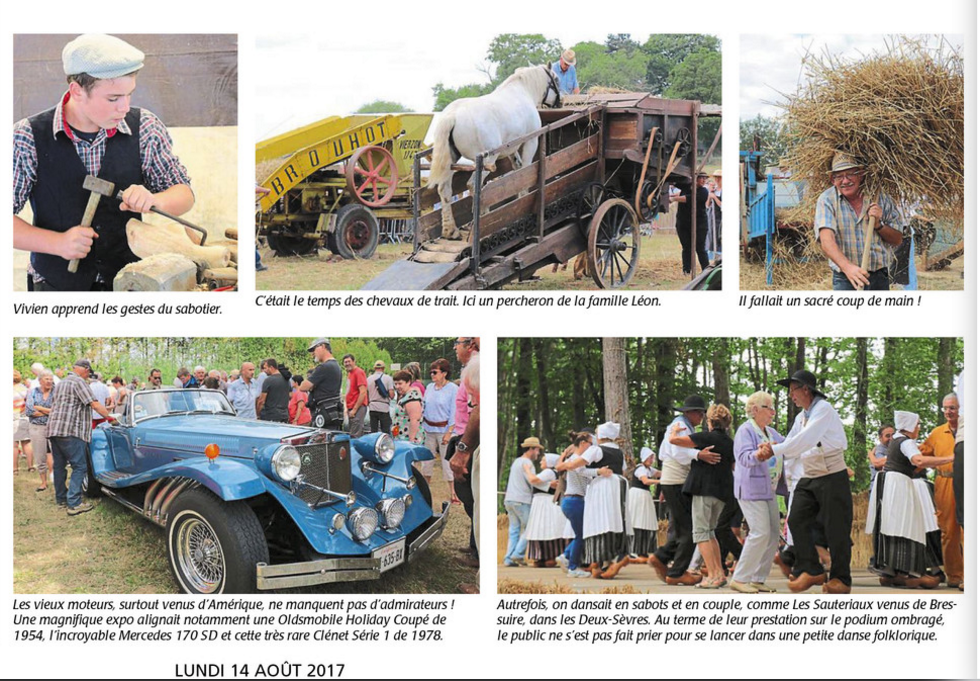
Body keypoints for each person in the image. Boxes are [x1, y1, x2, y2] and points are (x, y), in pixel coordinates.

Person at [13, 34, 194, 291]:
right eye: (113, 98)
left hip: (132, 284)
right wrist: (57, 243)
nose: (124, 107)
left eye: (129, 95)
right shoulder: (27, 136)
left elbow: (184, 194)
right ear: (77, 90)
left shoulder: (145, 126)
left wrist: (156, 201)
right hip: (55, 288)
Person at [761, 369, 850, 594]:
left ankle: (841, 579)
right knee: (796, 519)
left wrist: (774, 450)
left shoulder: (823, 410)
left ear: (806, 390)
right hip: (809, 475)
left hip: (831, 474)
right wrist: (770, 448)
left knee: (835, 528)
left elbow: (806, 440)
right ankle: (811, 569)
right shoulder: (801, 417)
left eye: (793, 391)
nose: (791, 395)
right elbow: (792, 441)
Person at [868, 411, 951, 588]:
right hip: (899, 484)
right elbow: (918, 460)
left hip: (890, 483)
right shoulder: (905, 442)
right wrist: (950, 458)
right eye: (918, 425)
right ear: (910, 426)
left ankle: (891, 570)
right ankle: (914, 573)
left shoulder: (896, 439)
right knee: (909, 526)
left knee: (893, 526)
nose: (919, 428)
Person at [814, 151, 904, 291]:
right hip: (845, 277)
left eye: (850, 174)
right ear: (832, 180)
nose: (845, 181)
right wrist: (848, 267)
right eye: (839, 176)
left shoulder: (880, 198)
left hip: (879, 277)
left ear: (860, 174)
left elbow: (897, 239)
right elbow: (826, 240)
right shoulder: (827, 200)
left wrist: (879, 225)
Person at [670, 404, 735, 589]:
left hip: (703, 490)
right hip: (722, 493)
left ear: (710, 421)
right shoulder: (730, 442)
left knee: (700, 533)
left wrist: (675, 430)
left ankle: (714, 575)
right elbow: (732, 466)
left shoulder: (705, 437)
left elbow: (675, 441)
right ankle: (718, 574)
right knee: (710, 532)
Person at [649, 395, 708, 586]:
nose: (702, 417)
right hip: (677, 481)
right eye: (700, 413)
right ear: (690, 413)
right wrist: (698, 454)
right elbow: (677, 452)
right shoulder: (680, 427)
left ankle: (662, 556)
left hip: (672, 480)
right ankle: (676, 572)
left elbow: (662, 453)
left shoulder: (680, 425)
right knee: (689, 530)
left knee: (682, 526)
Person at [730, 391, 785, 594]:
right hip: (751, 489)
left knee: (772, 534)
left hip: (768, 490)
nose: (773, 411)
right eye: (768, 407)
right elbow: (743, 458)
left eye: (773, 407)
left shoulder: (770, 432)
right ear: (755, 410)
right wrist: (759, 454)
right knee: (760, 532)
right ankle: (740, 577)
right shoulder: (745, 430)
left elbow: (787, 444)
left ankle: (757, 578)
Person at [47, 359, 115, 515]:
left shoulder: (61, 383)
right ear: (85, 369)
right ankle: (74, 503)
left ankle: (61, 499)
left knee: (59, 466)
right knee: (80, 466)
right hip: (71, 430)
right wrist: (111, 418)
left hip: (54, 429)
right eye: (88, 372)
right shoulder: (79, 382)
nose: (88, 375)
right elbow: (95, 404)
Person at [919, 393, 962, 588]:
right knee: (948, 531)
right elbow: (919, 455)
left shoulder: (970, 429)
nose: (948, 411)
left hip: (969, 482)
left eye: (952, 407)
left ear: (961, 408)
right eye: (945, 408)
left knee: (968, 528)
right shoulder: (937, 433)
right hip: (944, 484)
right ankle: (954, 575)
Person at [556, 432, 611, 578]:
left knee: (579, 534)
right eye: (590, 444)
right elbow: (582, 471)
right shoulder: (575, 459)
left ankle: (566, 555)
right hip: (575, 501)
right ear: (582, 444)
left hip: (571, 501)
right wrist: (599, 471)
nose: (592, 447)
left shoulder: (573, 459)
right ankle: (572, 566)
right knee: (581, 535)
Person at [581, 421, 631, 579]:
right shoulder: (619, 452)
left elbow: (579, 468)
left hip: (602, 485)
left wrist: (597, 471)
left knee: (599, 520)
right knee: (617, 519)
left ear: (601, 435)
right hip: (619, 484)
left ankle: (597, 561)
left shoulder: (596, 450)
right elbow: (623, 470)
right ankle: (614, 558)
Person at [449, 338, 479, 571]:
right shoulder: (471, 370)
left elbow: (477, 412)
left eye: (458, 343)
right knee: (468, 495)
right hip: (460, 434)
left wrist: (463, 449)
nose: (455, 348)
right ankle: (475, 544)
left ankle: (479, 552)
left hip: (469, 440)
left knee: (473, 498)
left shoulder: (479, 368)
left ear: (470, 345)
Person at [502, 436, 546, 567]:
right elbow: (533, 481)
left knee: (514, 529)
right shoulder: (528, 463)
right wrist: (550, 485)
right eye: (537, 450)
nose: (538, 453)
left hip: (510, 499)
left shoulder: (517, 461)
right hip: (522, 500)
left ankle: (508, 558)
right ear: (531, 449)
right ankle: (518, 554)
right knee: (530, 527)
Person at [422, 358, 458, 502]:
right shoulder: (430, 387)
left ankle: (454, 493)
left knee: (447, 462)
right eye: (431, 372)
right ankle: (424, 491)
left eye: (435, 372)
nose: (432, 374)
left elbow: (454, 412)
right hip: (428, 429)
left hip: (444, 430)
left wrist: (449, 432)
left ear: (444, 373)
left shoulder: (453, 389)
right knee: (426, 462)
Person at [524, 453, 566, 567]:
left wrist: (527, 470)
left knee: (542, 528)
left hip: (544, 502)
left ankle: (544, 556)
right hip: (548, 502)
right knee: (550, 529)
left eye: (543, 460)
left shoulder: (548, 472)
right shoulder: (555, 473)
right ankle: (548, 556)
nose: (541, 462)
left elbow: (533, 480)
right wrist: (548, 484)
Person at [300, 338, 343, 430]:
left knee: (320, 442)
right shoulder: (336, 366)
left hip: (324, 413)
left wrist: (312, 386)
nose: (312, 353)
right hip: (334, 412)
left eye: (314, 349)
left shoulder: (324, 367)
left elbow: (303, 387)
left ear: (323, 346)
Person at [671, 175, 709, 274]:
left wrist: (674, 199)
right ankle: (686, 270)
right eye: (702, 178)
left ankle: (706, 271)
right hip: (683, 222)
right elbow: (675, 182)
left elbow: (690, 198)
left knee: (700, 248)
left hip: (699, 224)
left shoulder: (704, 191)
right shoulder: (686, 187)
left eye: (705, 178)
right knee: (686, 247)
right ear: (695, 178)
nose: (704, 180)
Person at [627, 446, 660, 560]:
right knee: (636, 521)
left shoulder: (650, 469)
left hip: (645, 496)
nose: (652, 460)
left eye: (653, 458)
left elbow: (660, 473)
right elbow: (645, 481)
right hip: (637, 495)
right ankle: (632, 549)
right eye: (650, 457)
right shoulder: (641, 469)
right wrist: (660, 481)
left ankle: (642, 549)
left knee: (645, 522)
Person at [25, 370, 56, 492]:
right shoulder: (33, 392)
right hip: (37, 428)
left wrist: (39, 408)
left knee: (56, 454)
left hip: (53, 426)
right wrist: (49, 411)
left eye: (50, 379)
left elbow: (58, 410)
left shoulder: (56, 392)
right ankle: (43, 482)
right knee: (40, 455)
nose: (49, 381)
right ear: (40, 380)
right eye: (46, 379)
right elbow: (29, 411)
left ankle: (56, 479)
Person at [391, 370, 424, 445]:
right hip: (401, 438)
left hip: (408, 439)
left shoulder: (412, 398)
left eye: (400, 383)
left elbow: (415, 420)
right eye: (395, 384)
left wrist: (411, 440)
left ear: (408, 382)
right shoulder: (405, 395)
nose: (397, 387)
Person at [341, 354, 368, 437]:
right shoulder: (350, 374)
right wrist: (346, 408)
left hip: (357, 408)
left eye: (349, 361)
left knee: (356, 434)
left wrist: (355, 409)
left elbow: (363, 392)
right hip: (351, 407)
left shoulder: (358, 372)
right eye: (345, 362)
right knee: (352, 432)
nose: (347, 364)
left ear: (354, 361)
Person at [256, 358, 290, 423]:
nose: (264, 371)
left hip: (271, 416)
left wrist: (258, 414)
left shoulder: (268, 380)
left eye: (265, 368)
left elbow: (261, 401)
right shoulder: (286, 379)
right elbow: (291, 394)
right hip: (284, 415)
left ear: (271, 367)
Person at [366, 360, 394, 434]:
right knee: (385, 431)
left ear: (374, 368)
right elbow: (391, 395)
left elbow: (366, 395)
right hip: (384, 408)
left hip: (372, 407)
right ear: (383, 368)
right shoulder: (388, 378)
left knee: (373, 431)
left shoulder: (368, 379)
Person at [14, 370, 33, 474]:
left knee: (14, 445)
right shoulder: (25, 389)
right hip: (24, 417)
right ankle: (30, 467)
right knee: (27, 443)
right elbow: (29, 403)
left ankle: (15, 469)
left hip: (13, 417)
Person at [868, 424, 893, 492]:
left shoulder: (891, 449)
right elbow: (880, 465)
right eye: (887, 436)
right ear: (880, 438)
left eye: (893, 435)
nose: (891, 438)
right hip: (878, 489)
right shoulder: (880, 449)